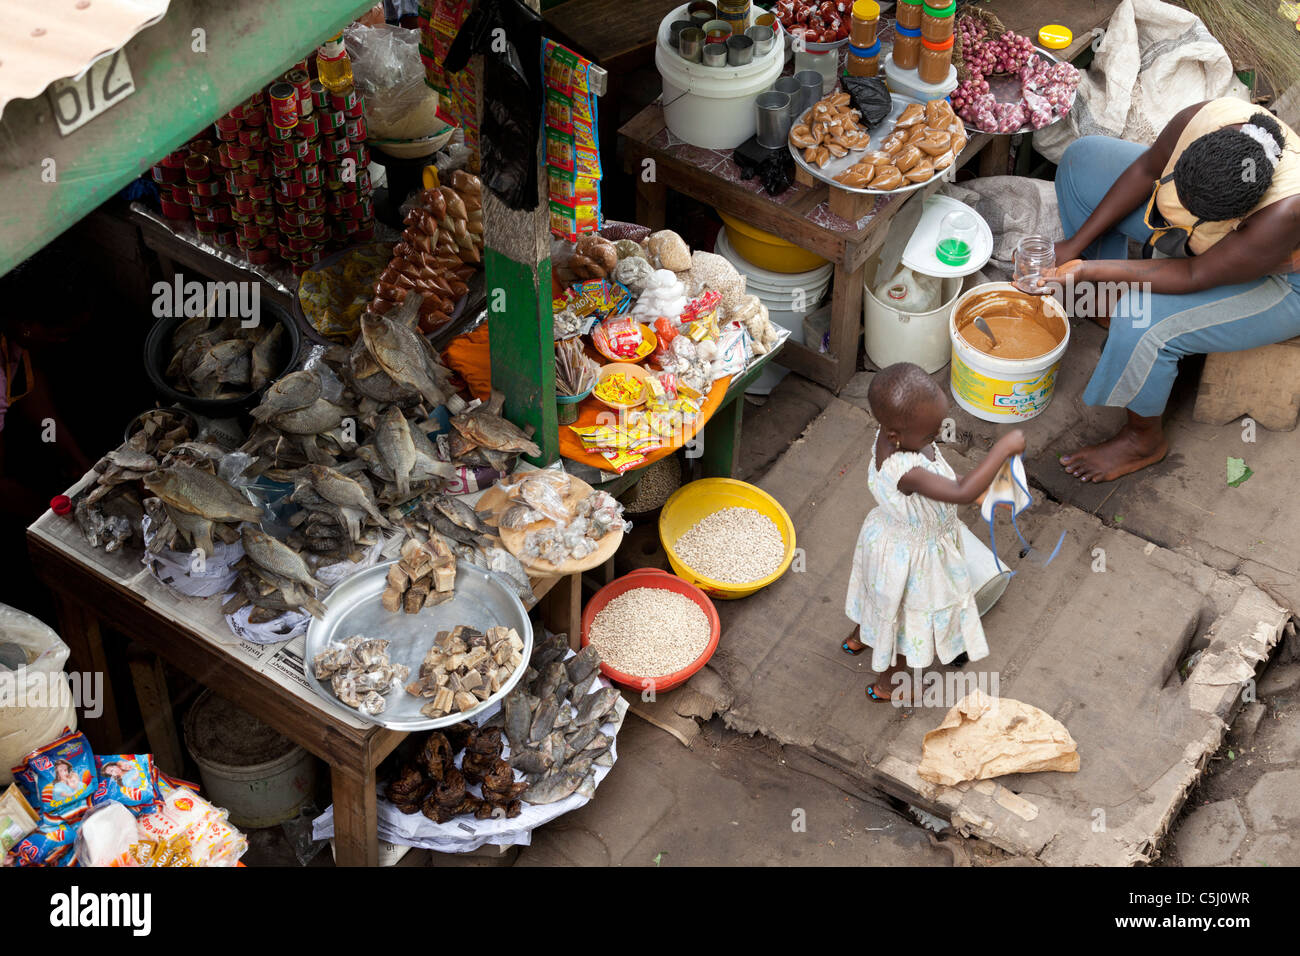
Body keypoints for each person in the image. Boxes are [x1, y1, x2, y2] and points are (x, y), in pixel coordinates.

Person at [1043, 98, 1300, 482]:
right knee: (1083, 160)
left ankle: (1142, 440)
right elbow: (1148, 168)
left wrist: (1088, 270)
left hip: (1280, 281)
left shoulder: (1286, 211)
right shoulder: (1207, 118)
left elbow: (1195, 273)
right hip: (1214, 248)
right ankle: (1104, 305)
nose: (1179, 207)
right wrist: (1075, 245)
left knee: (1141, 321)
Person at [843, 363, 1025, 703]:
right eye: (930, 435)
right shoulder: (904, 468)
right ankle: (887, 685)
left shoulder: (896, 432)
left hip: (889, 540)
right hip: (914, 559)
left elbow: (948, 485)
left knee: (881, 601)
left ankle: (859, 637)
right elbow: (961, 494)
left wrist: (977, 490)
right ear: (896, 434)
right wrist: (1002, 450)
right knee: (900, 621)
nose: (937, 436)